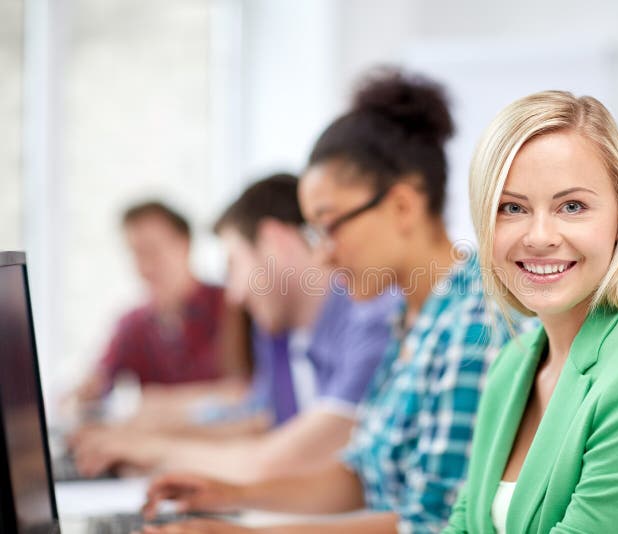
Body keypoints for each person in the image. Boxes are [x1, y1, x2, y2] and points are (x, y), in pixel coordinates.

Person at [141, 69, 526, 533]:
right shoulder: (409, 317)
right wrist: (230, 495)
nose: (323, 255)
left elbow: (435, 524)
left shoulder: (474, 324)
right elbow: (362, 475)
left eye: (330, 225)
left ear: (402, 206)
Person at [443, 91, 618, 533]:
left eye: (571, 206)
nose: (539, 236)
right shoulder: (514, 364)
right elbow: (462, 524)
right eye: (511, 208)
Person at [71, 175, 398, 483]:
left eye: (234, 264)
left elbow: (292, 455)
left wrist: (155, 447)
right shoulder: (280, 333)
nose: (235, 293)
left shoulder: (370, 318)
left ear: (274, 242)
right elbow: (261, 422)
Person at [72, 201, 235, 404]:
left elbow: (249, 393)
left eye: (152, 250)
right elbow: (97, 382)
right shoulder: (132, 325)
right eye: (136, 253)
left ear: (185, 245)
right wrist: (84, 392)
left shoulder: (232, 306)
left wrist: (165, 403)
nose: (145, 266)